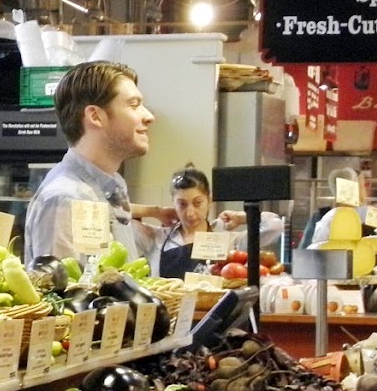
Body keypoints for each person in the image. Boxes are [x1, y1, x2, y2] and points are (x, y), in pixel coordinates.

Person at [24, 60, 175, 268]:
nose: (149, 116)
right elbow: (63, 298)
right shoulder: (65, 199)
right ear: (95, 116)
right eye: (134, 105)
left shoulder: (108, 187)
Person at [157, 164, 287, 278]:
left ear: (210, 200)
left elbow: (275, 226)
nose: (190, 213)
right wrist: (156, 211)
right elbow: (134, 216)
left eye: (197, 203)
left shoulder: (228, 240)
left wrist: (243, 217)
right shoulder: (158, 237)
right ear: (172, 203)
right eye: (182, 204)